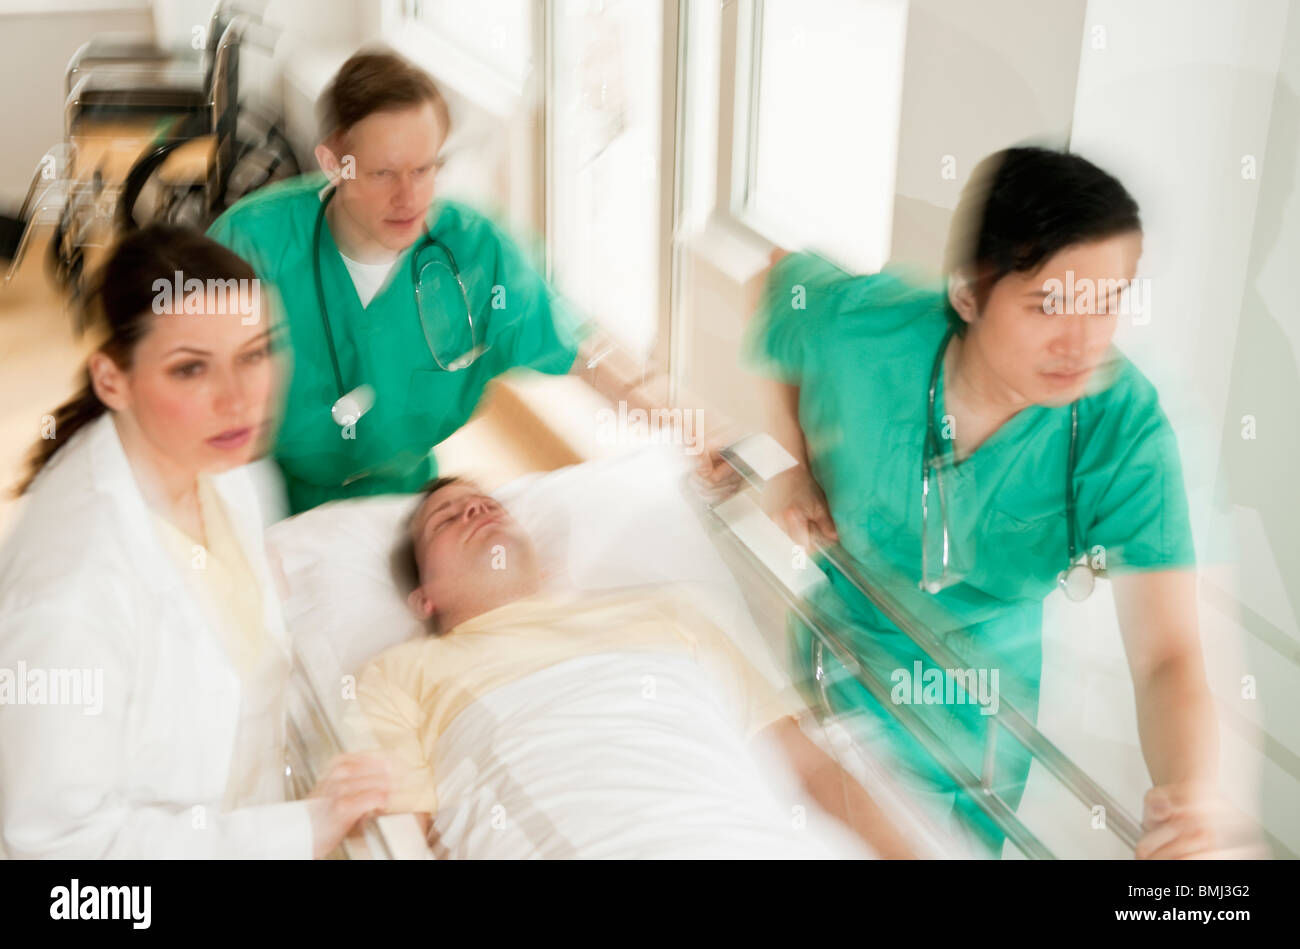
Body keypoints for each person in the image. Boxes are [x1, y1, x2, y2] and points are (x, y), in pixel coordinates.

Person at [730, 146, 1220, 858]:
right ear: (967, 293)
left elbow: (1167, 656)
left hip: (983, 713)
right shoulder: (868, 333)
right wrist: (793, 462)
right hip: (842, 657)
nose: (1081, 343)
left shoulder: (1123, 428)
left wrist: (1188, 797)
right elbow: (775, 278)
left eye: (1106, 304)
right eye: (1048, 303)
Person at [0, 226, 389, 858]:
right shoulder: (68, 600)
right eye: (190, 368)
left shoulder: (224, 466)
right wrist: (301, 831)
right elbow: (63, 863)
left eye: (255, 353)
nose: (239, 399)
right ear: (113, 380)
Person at [356, 477, 918, 859]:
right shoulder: (403, 672)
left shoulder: (664, 611)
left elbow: (814, 768)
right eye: (446, 520)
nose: (474, 508)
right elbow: (409, 836)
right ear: (424, 598)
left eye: (486, 502)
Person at [208, 49, 585, 514]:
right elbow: (181, 376)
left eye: (423, 169)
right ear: (332, 162)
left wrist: (682, 429)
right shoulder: (250, 242)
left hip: (403, 506)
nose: (408, 197)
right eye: (382, 172)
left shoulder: (474, 249)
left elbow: (569, 341)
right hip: (265, 496)